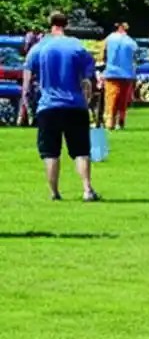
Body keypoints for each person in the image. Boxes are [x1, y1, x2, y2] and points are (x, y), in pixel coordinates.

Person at [22, 11, 101, 202]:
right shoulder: (76, 46)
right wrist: (90, 100)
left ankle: (55, 192)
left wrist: (27, 102)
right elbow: (89, 77)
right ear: (66, 24)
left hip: (48, 105)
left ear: (49, 24)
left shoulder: (39, 47)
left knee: (50, 151)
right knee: (81, 150)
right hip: (75, 104)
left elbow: (26, 81)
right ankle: (87, 189)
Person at [101, 22, 137, 130]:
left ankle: (109, 121)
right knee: (123, 99)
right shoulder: (131, 41)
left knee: (111, 98)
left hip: (112, 73)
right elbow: (135, 57)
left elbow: (102, 53)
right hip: (127, 74)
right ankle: (120, 121)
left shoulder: (109, 39)